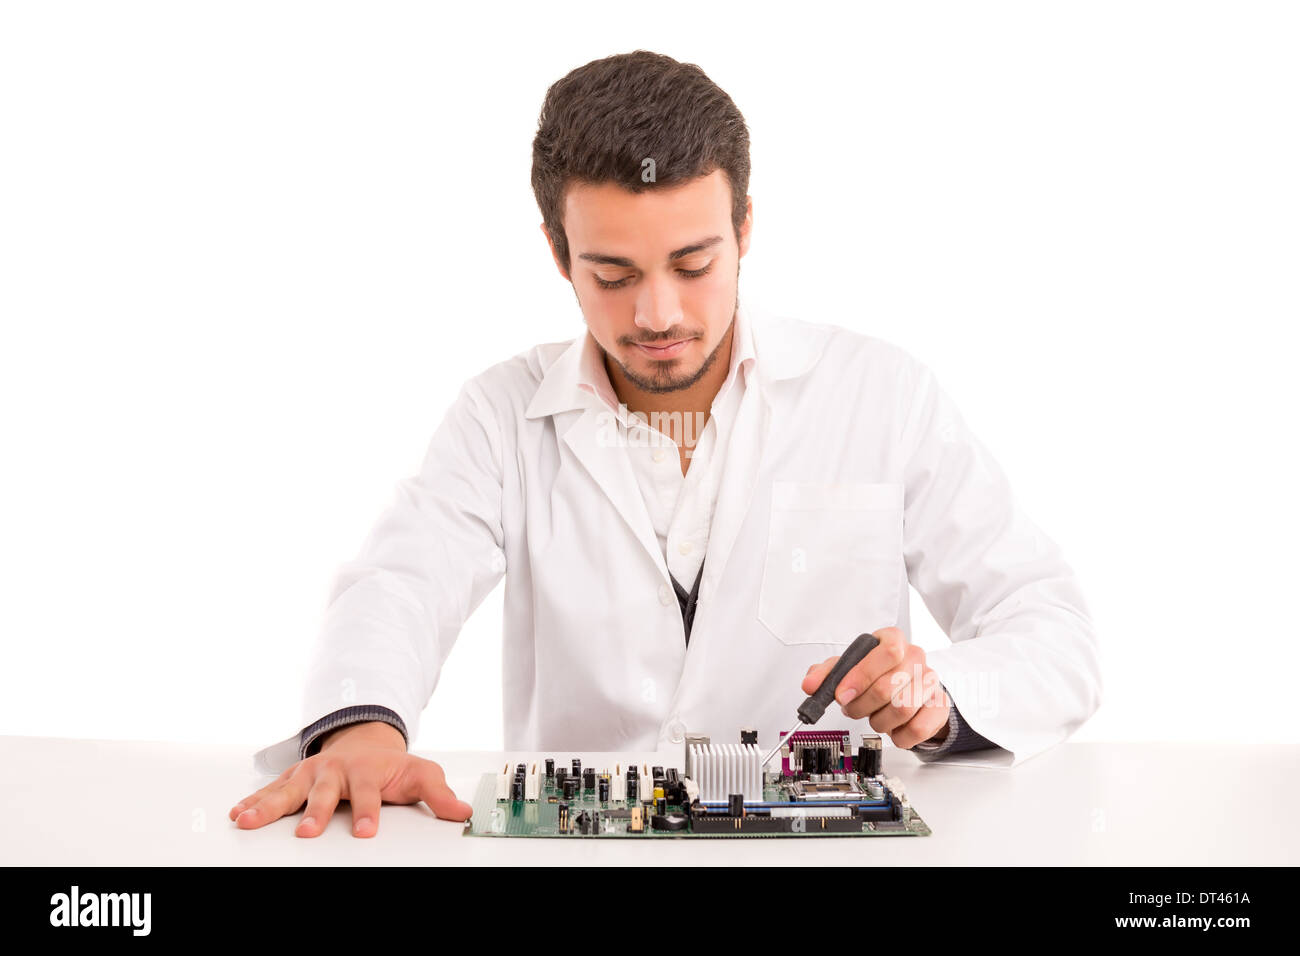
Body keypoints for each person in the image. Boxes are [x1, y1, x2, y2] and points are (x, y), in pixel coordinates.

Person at [231, 50, 1101, 838]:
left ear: (746, 229)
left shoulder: (881, 394)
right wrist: (361, 729)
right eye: (612, 275)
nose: (658, 316)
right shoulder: (501, 415)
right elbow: (401, 583)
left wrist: (940, 699)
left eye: (693, 265)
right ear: (557, 253)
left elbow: (1052, 634)